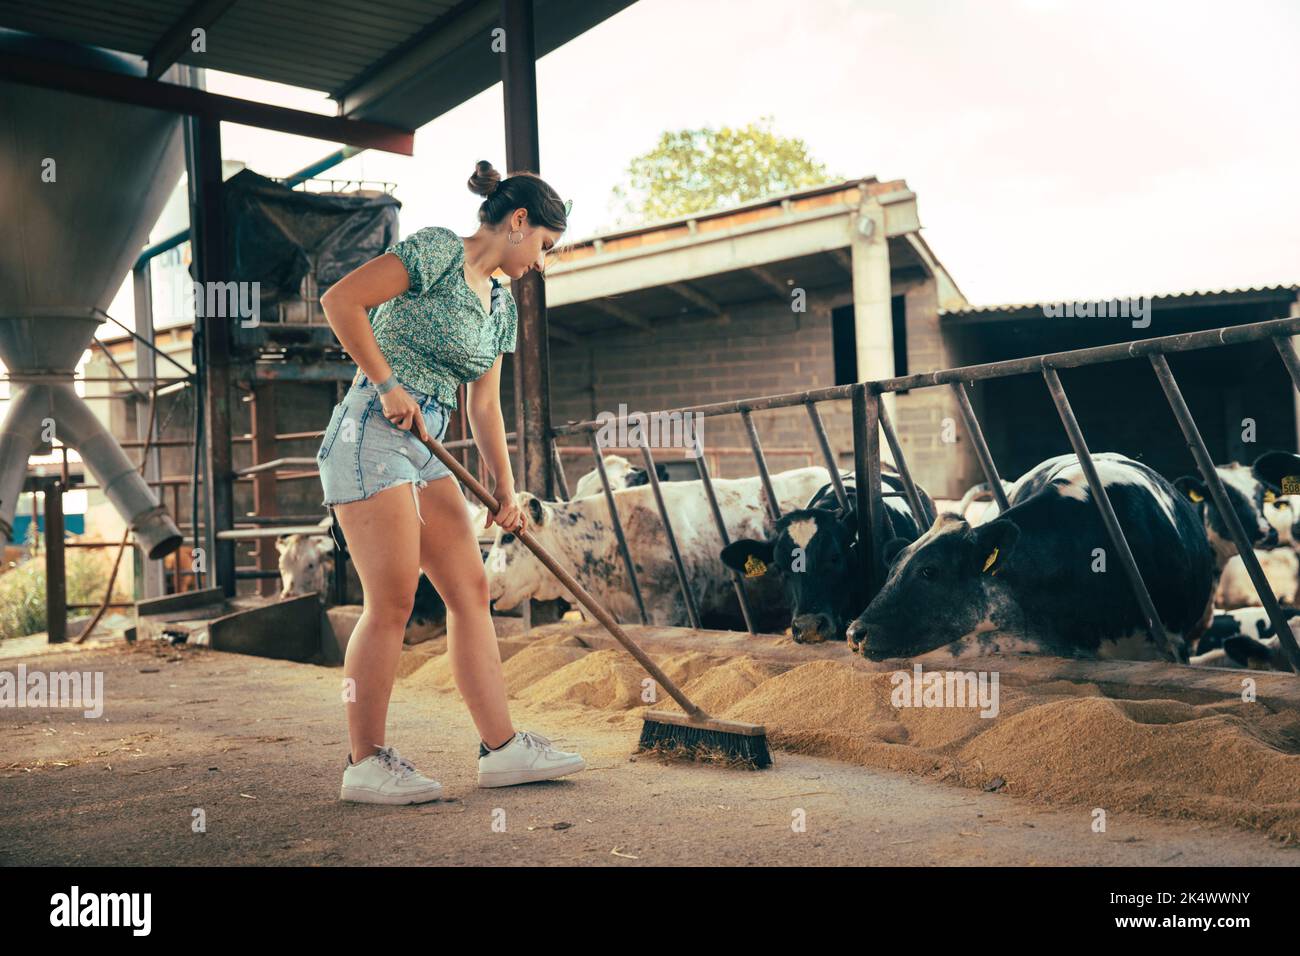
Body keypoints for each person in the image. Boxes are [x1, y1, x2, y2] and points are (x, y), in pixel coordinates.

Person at [316, 160, 585, 804]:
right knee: (394, 601)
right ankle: (366, 762)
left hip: (428, 439)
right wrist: (387, 384)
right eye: (543, 246)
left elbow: (484, 407)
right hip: (370, 430)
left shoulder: (498, 306)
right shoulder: (436, 250)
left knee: (469, 589)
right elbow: (340, 302)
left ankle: (501, 748)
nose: (541, 263)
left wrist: (506, 489)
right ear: (518, 223)